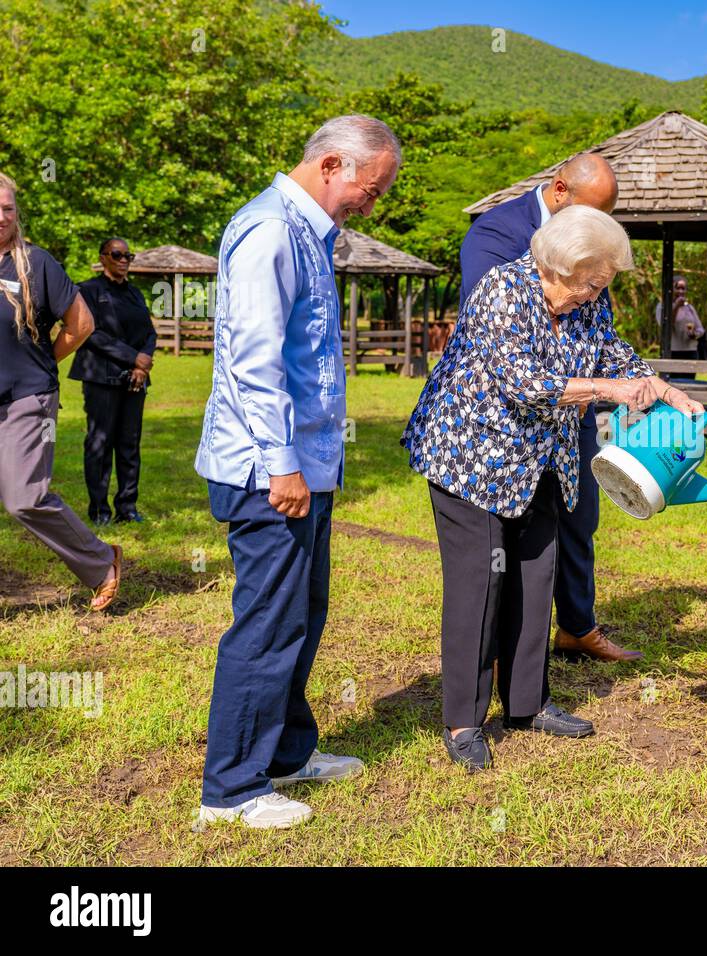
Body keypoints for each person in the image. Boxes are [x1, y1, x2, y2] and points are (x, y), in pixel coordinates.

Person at [403, 205, 704, 772]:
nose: (596, 295)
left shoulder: (588, 300)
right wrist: (608, 390)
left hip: (543, 459)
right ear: (560, 266)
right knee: (481, 582)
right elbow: (521, 383)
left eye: (603, 286)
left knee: (535, 576)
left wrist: (662, 389)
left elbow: (613, 352)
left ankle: (527, 703)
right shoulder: (503, 288)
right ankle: (465, 721)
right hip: (472, 455)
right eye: (592, 283)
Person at [194, 115, 401, 829]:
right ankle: (231, 790)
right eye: (368, 191)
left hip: (305, 468)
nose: (368, 205)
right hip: (267, 472)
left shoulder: (309, 233)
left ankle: (284, 753)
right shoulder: (272, 230)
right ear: (334, 164)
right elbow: (254, 360)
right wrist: (282, 466)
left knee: (303, 616)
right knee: (268, 625)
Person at [459, 153, 643, 663]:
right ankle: (500, 646)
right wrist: (588, 385)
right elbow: (498, 341)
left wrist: (644, 383)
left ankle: (577, 625)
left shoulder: (590, 245)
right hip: (506, 422)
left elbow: (598, 328)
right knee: (511, 545)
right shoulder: (496, 236)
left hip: (572, 406)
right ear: (560, 190)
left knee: (580, 515)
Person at [0, 172, 122, 612]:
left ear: (17, 213)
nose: (1, 216)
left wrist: (43, 363)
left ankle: (101, 560)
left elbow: (82, 324)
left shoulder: (36, 264)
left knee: (23, 498)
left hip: (26, 397)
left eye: (7, 208)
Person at [71, 238, 157, 525]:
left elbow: (149, 332)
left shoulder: (135, 294)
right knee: (100, 443)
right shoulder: (87, 291)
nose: (123, 260)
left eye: (128, 256)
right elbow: (89, 333)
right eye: (117, 255)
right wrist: (134, 357)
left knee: (129, 443)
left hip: (136, 378)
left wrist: (142, 364)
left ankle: (127, 508)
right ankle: (99, 511)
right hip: (100, 377)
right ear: (103, 257)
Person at [655, 274, 704, 359]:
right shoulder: (663, 307)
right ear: (671, 289)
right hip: (672, 352)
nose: (681, 291)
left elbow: (700, 329)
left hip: (691, 352)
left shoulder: (689, 307)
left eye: (683, 289)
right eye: (677, 288)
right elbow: (666, 326)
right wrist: (676, 306)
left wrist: (694, 335)